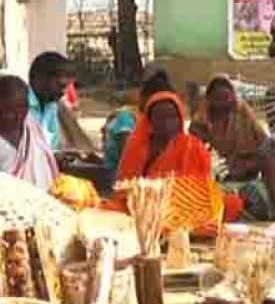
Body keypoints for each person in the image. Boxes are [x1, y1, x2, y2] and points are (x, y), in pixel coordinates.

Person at [103, 91, 243, 227]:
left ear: (180, 118)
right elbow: (125, 187)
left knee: (232, 203)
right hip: (146, 205)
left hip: (185, 207)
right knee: (108, 209)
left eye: (172, 117)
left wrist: (181, 198)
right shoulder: (137, 146)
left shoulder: (193, 146)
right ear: (150, 120)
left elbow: (203, 187)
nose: (167, 123)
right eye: (160, 118)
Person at [0, 75, 58, 191]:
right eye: (10, 111)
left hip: (42, 201)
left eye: (23, 107)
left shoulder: (31, 129)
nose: (19, 115)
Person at [189, 75, 269, 189]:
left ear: (233, 96)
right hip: (216, 176)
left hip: (249, 172)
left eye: (226, 97)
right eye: (217, 98)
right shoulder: (201, 120)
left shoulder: (243, 113)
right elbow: (192, 151)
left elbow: (265, 145)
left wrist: (248, 164)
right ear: (209, 99)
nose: (222, 103)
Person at [103, 69, 176, 176]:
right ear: (145, 98)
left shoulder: (150, 122)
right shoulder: (126, 118)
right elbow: (129, 156)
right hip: (117, 179)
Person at [27, 51, 73, 150]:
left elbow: (52, 148)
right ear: (41, 79)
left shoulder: (51, 106)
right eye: (61, 86)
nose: (63, 92)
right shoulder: (17, 106)